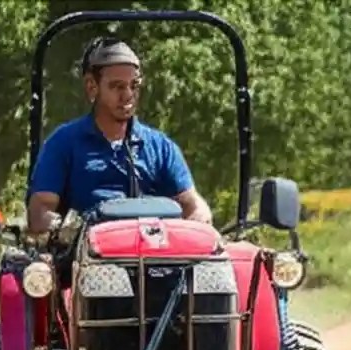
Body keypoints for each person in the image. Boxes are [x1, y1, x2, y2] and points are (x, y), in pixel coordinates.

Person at [25, 37, 213, 237]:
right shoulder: (63, 143)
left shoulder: (161, 148)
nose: (128, 95)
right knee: (36, 270)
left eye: (134, 85)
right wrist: (70, 230)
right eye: (117, 86)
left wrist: (197, 224)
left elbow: (194, 206)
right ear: (91, 86)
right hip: (86, 254)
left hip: (155, 254)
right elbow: (39, 213)